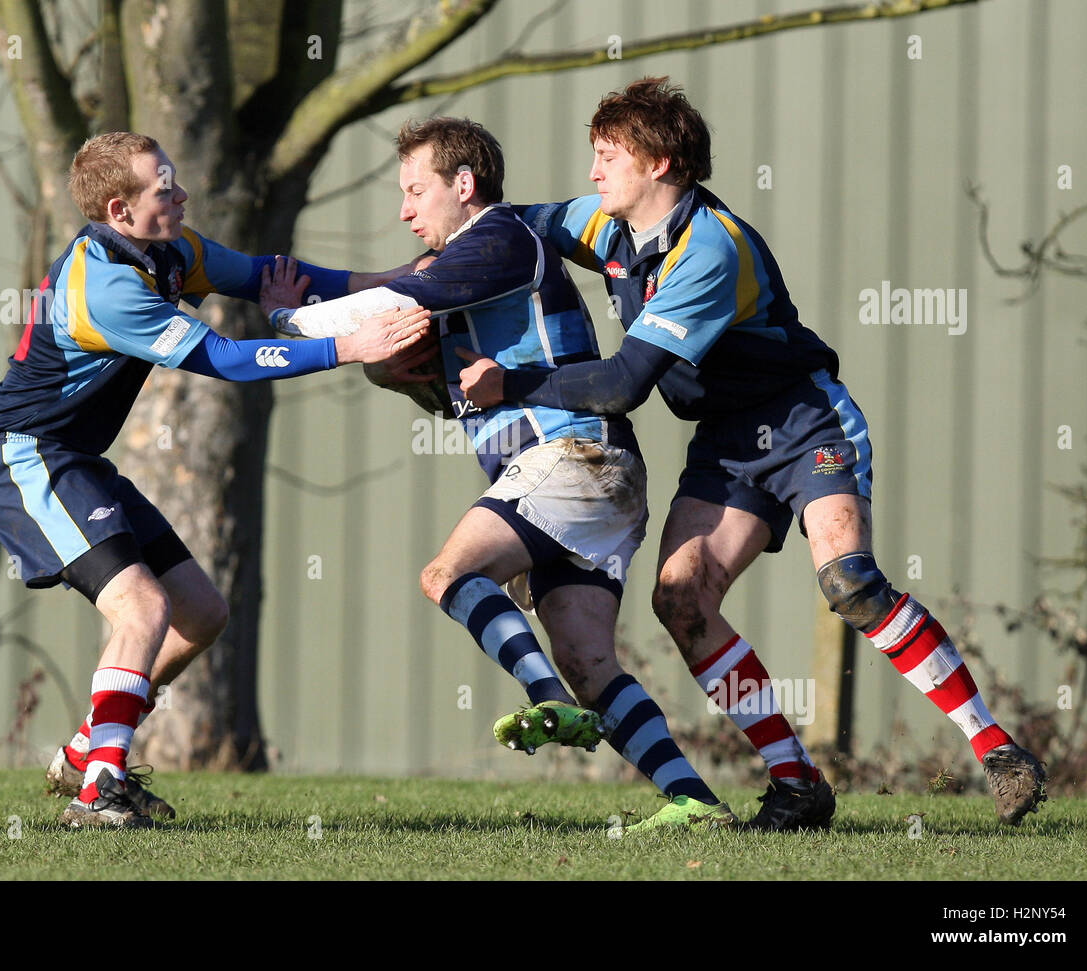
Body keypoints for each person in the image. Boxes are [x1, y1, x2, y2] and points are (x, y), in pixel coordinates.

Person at [458, 78, 1047, 829]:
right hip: (728, 444)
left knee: (850, 582)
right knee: (680, 598)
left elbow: (622, 384)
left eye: (609, 156)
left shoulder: (708, 249)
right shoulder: (610, 226)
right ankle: (797, 783)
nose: (594, 172)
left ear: (663, 163)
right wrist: (441, 247)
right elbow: (515, 228)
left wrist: (509, 379)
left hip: (805, 422)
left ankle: (998, 749)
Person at [263, 117, 734, 832]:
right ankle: (695, 801)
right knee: (588, 655)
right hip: (600, 473)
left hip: (575, 459)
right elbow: (451, 384)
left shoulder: (500, 238)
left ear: (464, 183)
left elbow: (389, 302)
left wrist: (284, 317)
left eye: (416, 190)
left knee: (448, 575)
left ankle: (546, 698)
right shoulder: (469, 273)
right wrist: (399, 379)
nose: (404, 210)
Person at [0, 132, 431, 829]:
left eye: (176, 180)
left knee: (201, 613)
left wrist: (401, 281)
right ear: (120, 209)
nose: (181, 195)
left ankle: (87, 753)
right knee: (142, 609)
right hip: (23, 456)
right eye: (164, 188)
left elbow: (275, 275)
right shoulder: (110, 287)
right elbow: (227, 359)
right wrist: (347, 347)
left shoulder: (169, 253)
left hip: (75, 458)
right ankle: (99, 793)